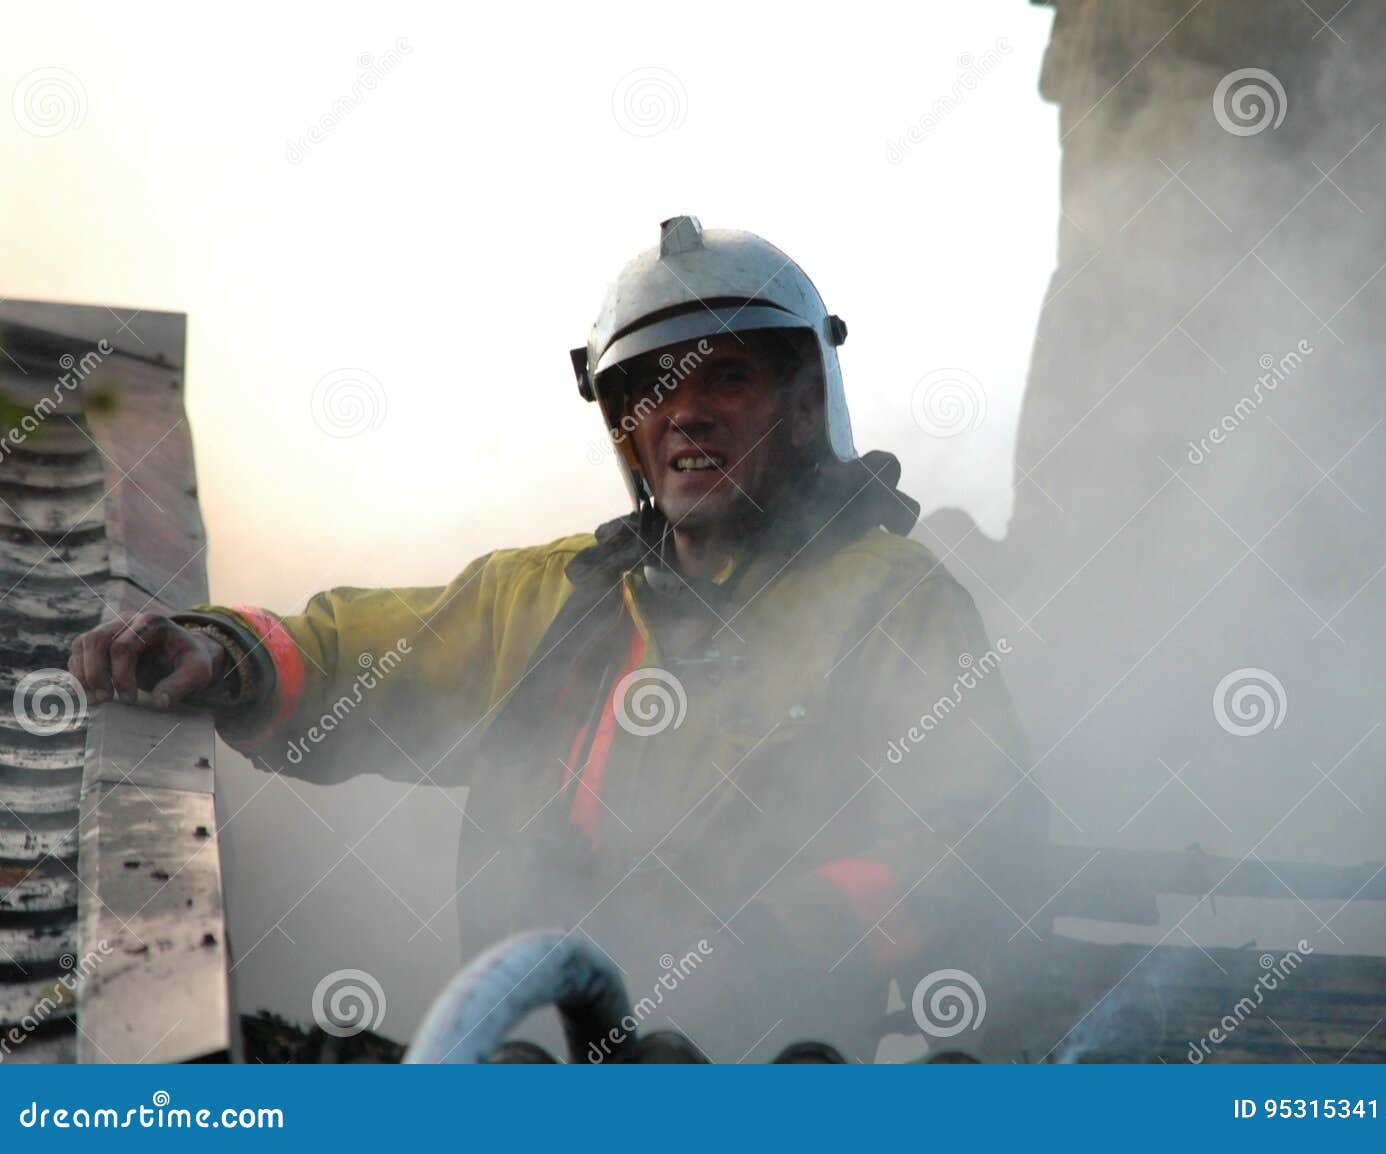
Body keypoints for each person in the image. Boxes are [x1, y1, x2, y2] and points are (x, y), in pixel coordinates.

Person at [68, 216, 1043, 1060]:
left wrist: (779, 941)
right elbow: (357, 650)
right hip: (532, 1061)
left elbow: (976, 839)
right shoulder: (558, 597)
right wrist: (217, 651)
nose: (684, 409)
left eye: (727, 376)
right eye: (649, 388)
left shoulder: (892, 600)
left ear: (801, 405)